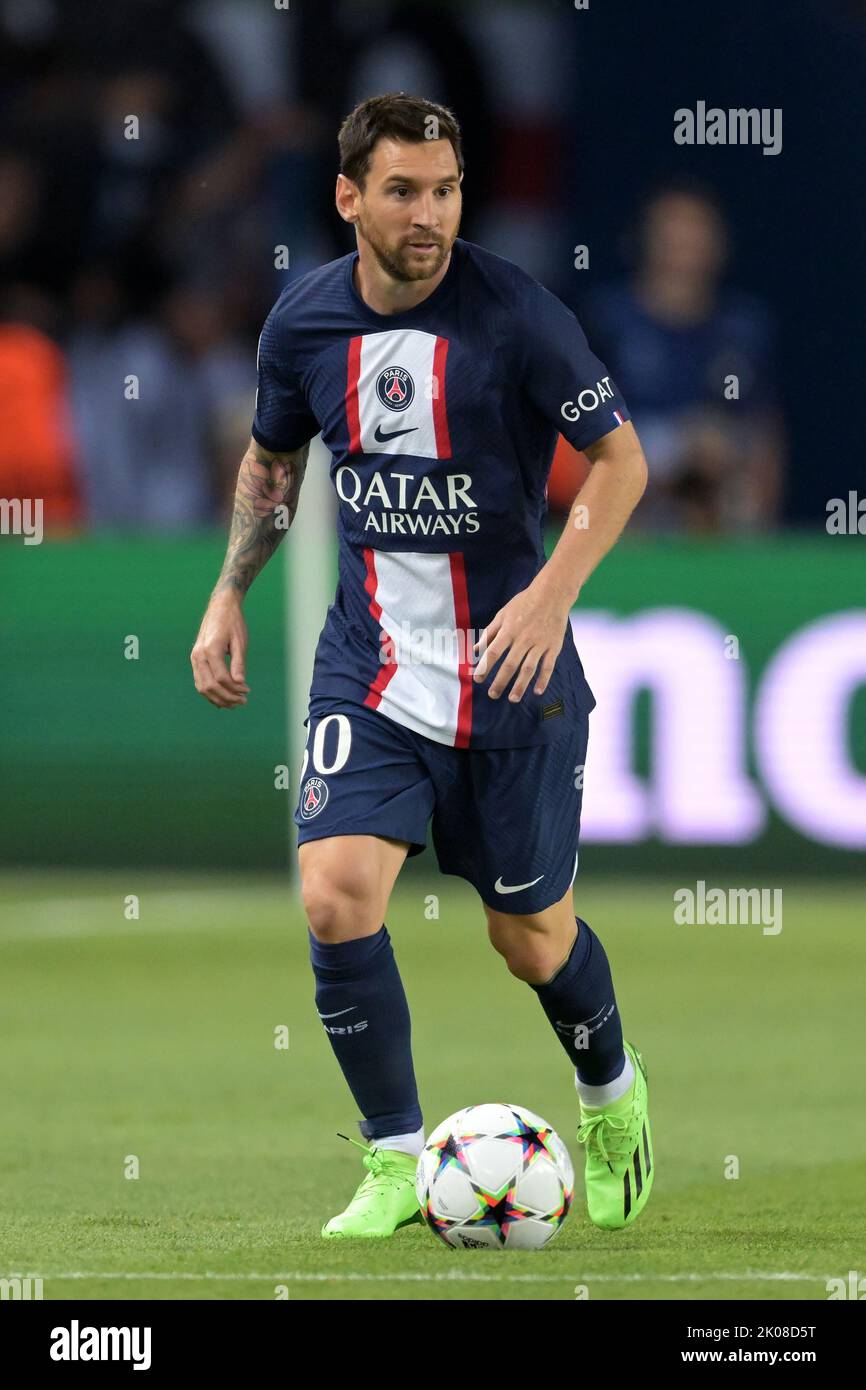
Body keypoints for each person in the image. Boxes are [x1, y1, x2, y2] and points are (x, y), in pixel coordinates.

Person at [190, 93, 652, 1241]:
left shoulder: (516, 314)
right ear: (348, 198)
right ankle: (396, 1156)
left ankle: (609, 1090)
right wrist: (227, 591)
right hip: (373, 665)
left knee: (527, 938)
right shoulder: (300, 326)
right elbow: (270, 463)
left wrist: (551, 596)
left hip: (509, 669)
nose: (429, 214)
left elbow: (621, 461)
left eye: (444, 190)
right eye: (403, 190)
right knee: (335, 891)